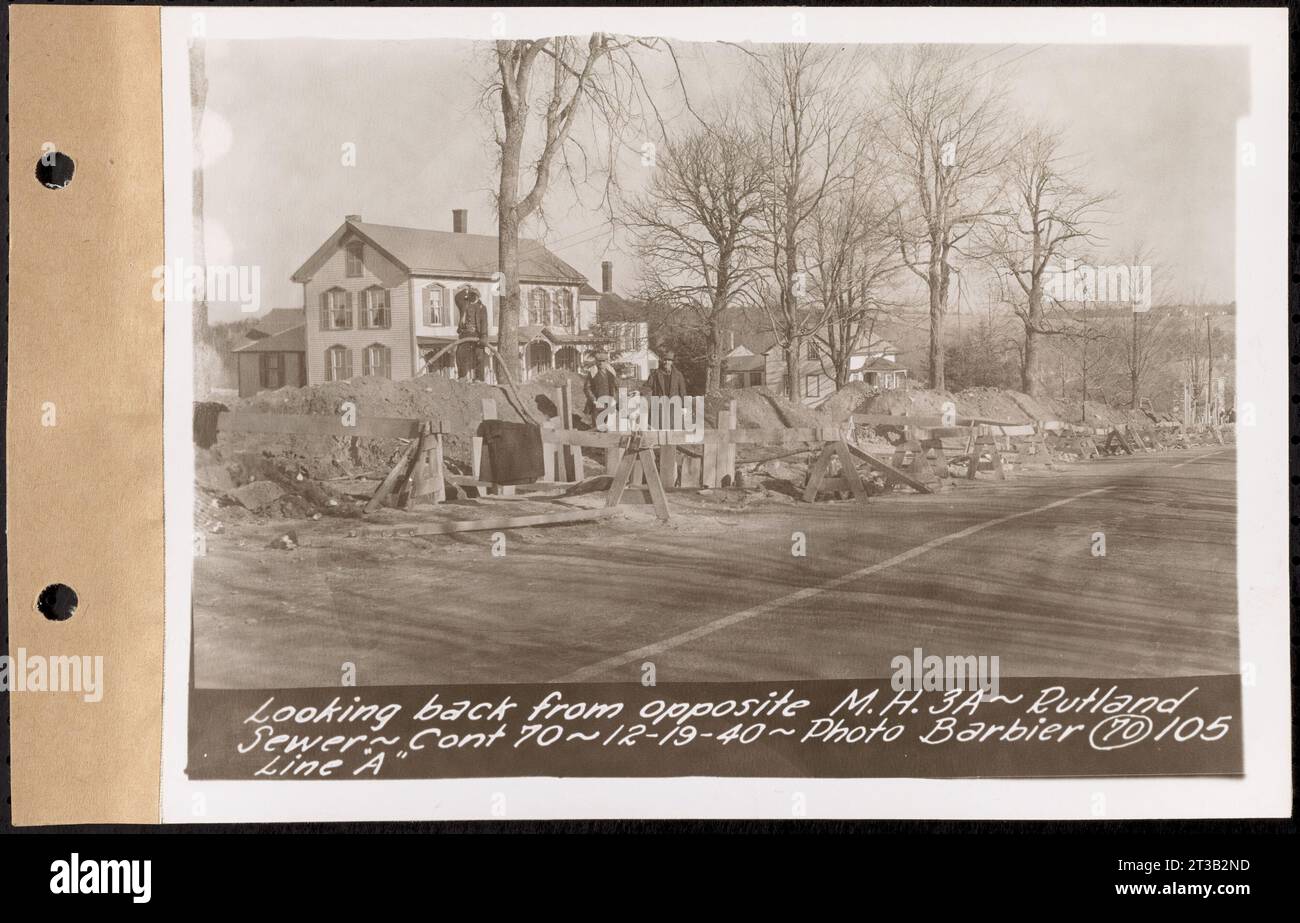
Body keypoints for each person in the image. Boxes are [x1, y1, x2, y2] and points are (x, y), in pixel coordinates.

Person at [455, 287, 490, 381]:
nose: (472, 296)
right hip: (465, 333)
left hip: (477, 334)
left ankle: (479, 378)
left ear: (478, 296)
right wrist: (464, 290)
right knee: (460, 354)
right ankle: (462, 376)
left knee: (479, 356)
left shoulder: (482, 308)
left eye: (474, 295)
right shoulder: (464, 305)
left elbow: (484, 323)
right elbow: (457, 297)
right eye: (470, 294)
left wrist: (484, 336)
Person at [583, 348, 620, 428]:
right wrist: (594, 400)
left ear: (606, 361)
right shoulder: (593, 372)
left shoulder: (611, 373)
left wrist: (615, 399)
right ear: (596, 361)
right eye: (599, 361)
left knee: (607, 426)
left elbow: (616, 387)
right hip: (597, 403)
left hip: (608, 403)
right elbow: (586, 388)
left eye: (603, 361)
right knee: (597, 426)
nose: (601, 363)